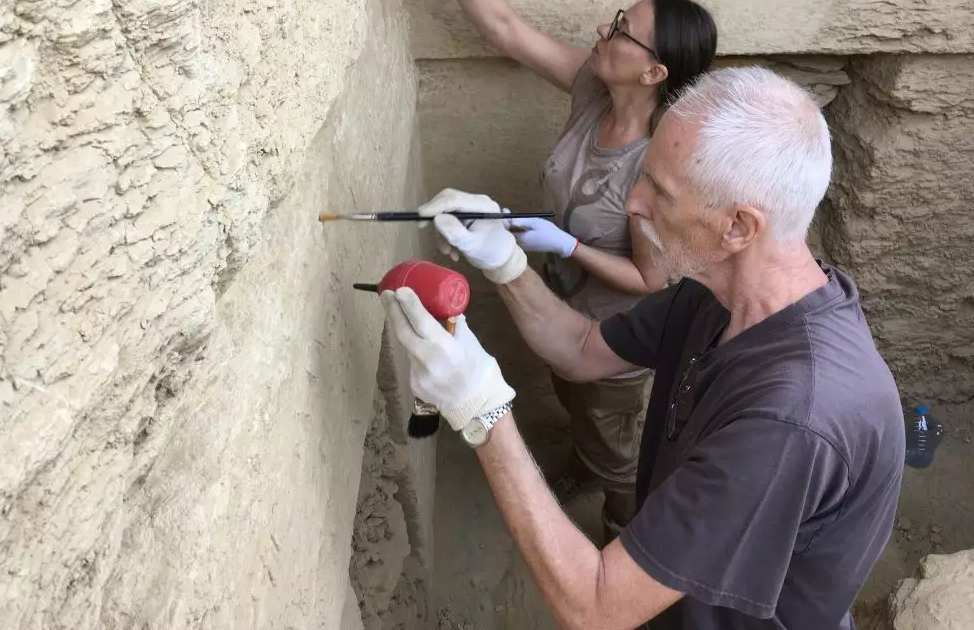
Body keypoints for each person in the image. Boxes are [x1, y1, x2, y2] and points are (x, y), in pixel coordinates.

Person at [380, 66, 905, 629]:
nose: (633, 201)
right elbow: (583, 348)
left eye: (659, 189)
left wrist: (481, 411)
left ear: (737, 226)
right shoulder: (717, 291)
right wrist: (506, 264)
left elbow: (597, 606)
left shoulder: (792, 420)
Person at [403, 0, 718, 538]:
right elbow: (509, 31)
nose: (604, 31)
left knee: (613, 434)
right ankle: (586, 460)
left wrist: (567, 247)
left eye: (622, 29)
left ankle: (624, 523)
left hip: (611, 338)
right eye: (616, 18)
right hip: (557, 305)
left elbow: (654, 282)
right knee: (576, 403)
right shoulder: (593, 87)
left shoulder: (655, 168)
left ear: (654, 71)